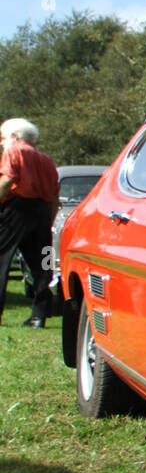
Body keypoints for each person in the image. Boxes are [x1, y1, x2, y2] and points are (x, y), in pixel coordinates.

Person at [0, 118, 60, 328]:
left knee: (2, 259)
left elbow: (8, 180)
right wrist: (48, 221)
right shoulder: (47, 160)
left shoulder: (14, 151)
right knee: (43, 264)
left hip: (17, 209)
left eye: (2, 137)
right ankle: (39, 315)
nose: (1, 143)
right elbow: (54, 197)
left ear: (15, 136)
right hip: (42, 211)